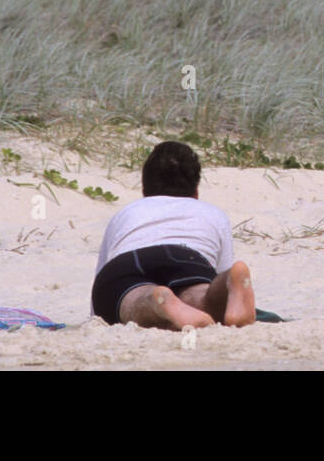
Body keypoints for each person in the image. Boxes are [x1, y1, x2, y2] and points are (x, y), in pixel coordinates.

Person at [92, 140, 255, 330]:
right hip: (187, 257)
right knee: (200, 294)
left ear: (145, 190)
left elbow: (101, 280)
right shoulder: (213, 214)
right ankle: (230, 279)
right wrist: (222, 289)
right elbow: (216, 273)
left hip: (128, 262)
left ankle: (156, 301)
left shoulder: (127, 213)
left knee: (135, 299)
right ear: (196, 191)